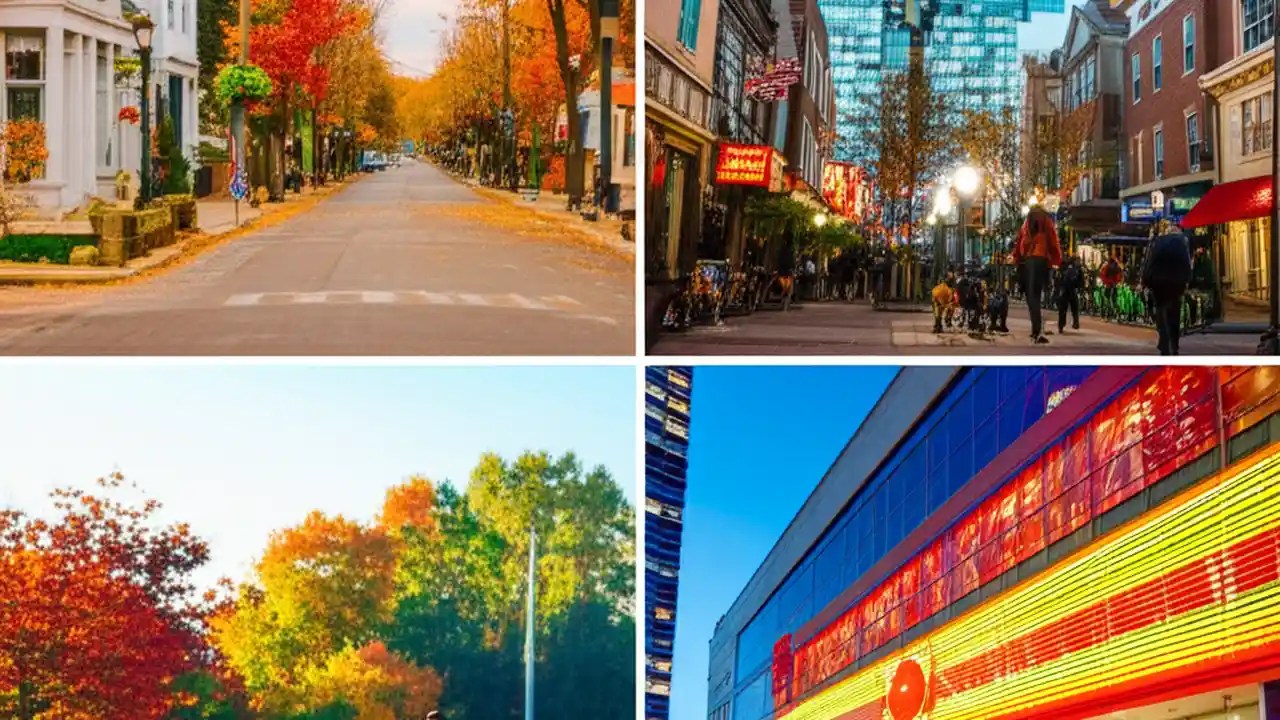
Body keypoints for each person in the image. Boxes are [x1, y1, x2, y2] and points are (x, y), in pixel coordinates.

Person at [1011, 204, 1064, 344]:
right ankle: (1037, 329)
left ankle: (1036, 329)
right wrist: (1057, 260)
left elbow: (1020, 242)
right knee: (1038, 292)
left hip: (1028, 261)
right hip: (1042, 260)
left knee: (1031, 296)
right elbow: (1054, 242)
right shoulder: (1047, 222)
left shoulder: (1026, 223)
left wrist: (1016, 258)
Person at [1141, 225, 1193, 356]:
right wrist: (1187, 281)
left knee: (1160, 310)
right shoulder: (1183, 244)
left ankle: (1164, 341)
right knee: (1174, 314)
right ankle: (1174, 345)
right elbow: (1187, 265)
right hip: (1177, 283)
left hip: (1158, 283)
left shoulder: (1157, 242)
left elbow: (1148, 262)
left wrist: (1146, 281)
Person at [1057, 255, 1084, 334]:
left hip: (1068, 290)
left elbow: (1059, 277)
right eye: (1078, 260)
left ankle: (1066, 324)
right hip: (1068, 290)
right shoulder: (1075, 269)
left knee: (1068, 308)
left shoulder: (1074, 268)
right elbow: (1081, 280)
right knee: (1070, 308)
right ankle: (1066, 325)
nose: (1079, 262)